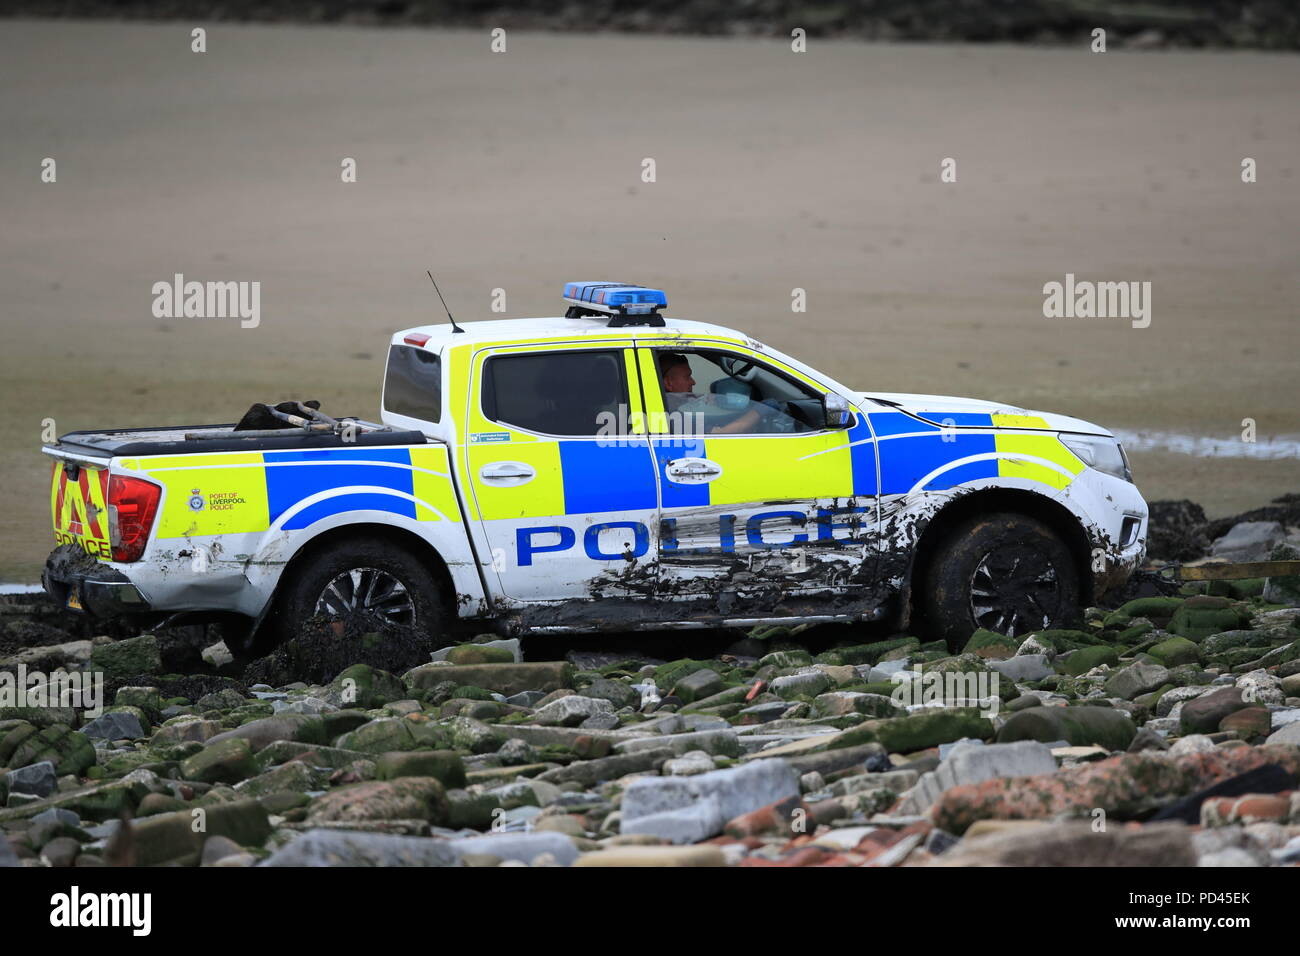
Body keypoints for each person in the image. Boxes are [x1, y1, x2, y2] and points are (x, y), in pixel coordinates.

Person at [658, 352, 765, 435]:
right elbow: (721, 434)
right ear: (668, 383)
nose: (693, 382)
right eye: (687, 377)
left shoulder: (665, 409)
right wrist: (761, 410)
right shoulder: (673, 416)